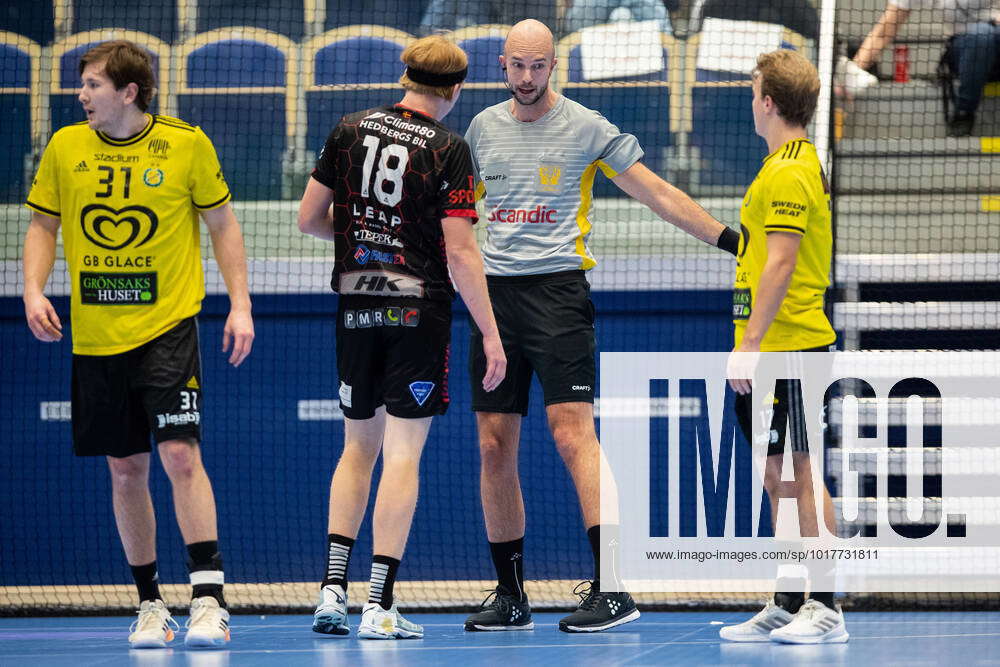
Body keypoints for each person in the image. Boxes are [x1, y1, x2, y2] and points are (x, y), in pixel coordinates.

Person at [461, 19, 740, 634]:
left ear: (554, 66)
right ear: (503, 65)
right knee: (491, 444)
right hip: (494, 301)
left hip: (559, 295)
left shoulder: (588, 127)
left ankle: (612, 587)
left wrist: (727, 238)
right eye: (518, 66)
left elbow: (658, 193)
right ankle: (510, 595)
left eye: (539, 66)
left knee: (571, 435)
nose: (528, 78)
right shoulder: (481, 129)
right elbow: (459, 218)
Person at [22, 40, 253, 649]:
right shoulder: (66, 146)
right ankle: (150, 604)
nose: (81, 94)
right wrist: (32, 290)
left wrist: (241, 304)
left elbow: (223, 223)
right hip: (96, 339)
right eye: (82, 84)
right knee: (125, 469)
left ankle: (209, 600)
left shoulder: (185, 144)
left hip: (167, 328)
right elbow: (43, 223)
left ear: (129, 91)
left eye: (93, 84)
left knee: (180, 455)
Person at [298, 35, 506, 640]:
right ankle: (379, 604)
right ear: (458, 88)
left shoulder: (348, 127)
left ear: (405, 75)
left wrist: (365, 231)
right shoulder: (450, 148)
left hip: (357, 300)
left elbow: (310, 218)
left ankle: (332, 592)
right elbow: (463, 254)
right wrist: (492, 336)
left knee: (356, 449)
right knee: (404, 454)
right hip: (418, 309)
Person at [719, 49, 847, 644]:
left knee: (800, 468)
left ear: (768, 102)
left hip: (793, 345)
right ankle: (789, 597)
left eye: (753, 93)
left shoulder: (793, 170)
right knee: (776, 472)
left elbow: (782, 262)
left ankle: (827, 606)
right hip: (773, 348)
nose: (751, 102)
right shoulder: (781, 165)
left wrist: (749, 345)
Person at [848, 0, 1000, 136]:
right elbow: (884, 32)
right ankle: (964, 113)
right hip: (966, 52)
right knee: (981, 35)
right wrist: (850, 75)